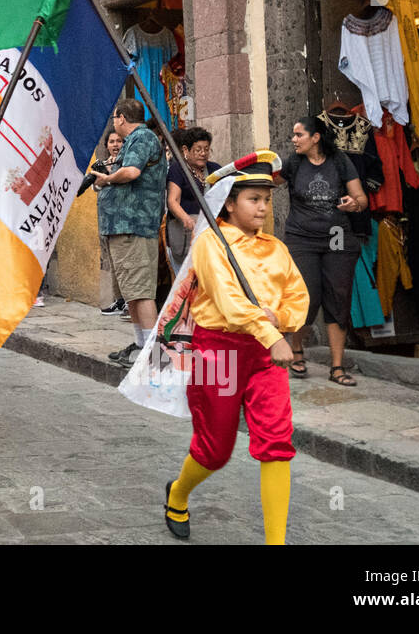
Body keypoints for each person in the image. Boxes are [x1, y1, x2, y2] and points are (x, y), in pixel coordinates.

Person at [161, 152, 308, 545]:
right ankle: (178, 493)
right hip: (217, 354)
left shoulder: (277, 248)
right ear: (229, 202)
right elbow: (228, 301)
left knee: (277, 443)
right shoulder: (210, 242)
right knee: (215, 449)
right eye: (253, 199)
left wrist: (283, 321)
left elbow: (297, 295)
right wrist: (271, 333)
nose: (262, 208)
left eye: (266, 200)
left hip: (265, 357)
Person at [282, 116, 367, 385]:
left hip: (337, 236)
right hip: (301, 238)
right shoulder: (292, 163)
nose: (294, 140)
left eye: (299, 135)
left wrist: (353, 205)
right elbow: (268, 183)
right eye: (293, 136)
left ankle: (337, 367)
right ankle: (296, 351)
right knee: (306, 296)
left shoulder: (340, 160)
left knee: (338, 296)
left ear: (316, 137)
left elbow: (361, 198)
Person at [94, 99, 167, 366]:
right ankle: (141, 346)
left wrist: (108, 179)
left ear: (121, 118)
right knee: (133, 293)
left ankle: (155, 356)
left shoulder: (143, 137)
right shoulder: (136, 141)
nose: (114, 122)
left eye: (115, 118)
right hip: (123, 228)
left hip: (133, 227)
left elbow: (132, 172)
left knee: (141, 292)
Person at [166, 126, 222, 271]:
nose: (203, 153)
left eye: (206, 149)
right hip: (184, 234)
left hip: (209, 234)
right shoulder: (177, 169)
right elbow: (173, 201)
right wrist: (188, 220)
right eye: (198, 150)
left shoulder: (215, 170)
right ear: (186, 150)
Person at [93, 129, 128, 318]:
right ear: (106, 145)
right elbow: (95, 187)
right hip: (106, 220)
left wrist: (109, 179)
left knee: (124, 262)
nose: (115, 145)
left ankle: (129, 300)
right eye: (112, 142)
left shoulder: (125, 166)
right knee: (113, 263)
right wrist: (103, 179)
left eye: (119, 141)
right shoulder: (101, 165)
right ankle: (119, 299)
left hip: (123, 221)